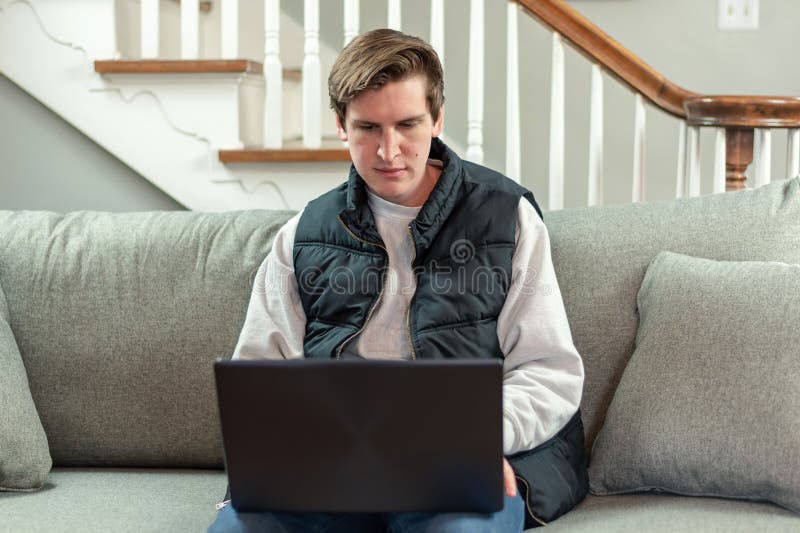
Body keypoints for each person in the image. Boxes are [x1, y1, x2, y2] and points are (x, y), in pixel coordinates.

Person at [209, 28, 587, 533]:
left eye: (408, 124)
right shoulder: (302, 235)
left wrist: (477, 442)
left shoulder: (507, 217)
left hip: (457, 464)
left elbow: (549, 370)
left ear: (438, 118)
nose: (389, 151)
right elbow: (258, 376)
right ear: (340, 125)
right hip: (330, 470)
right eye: (368, 128)